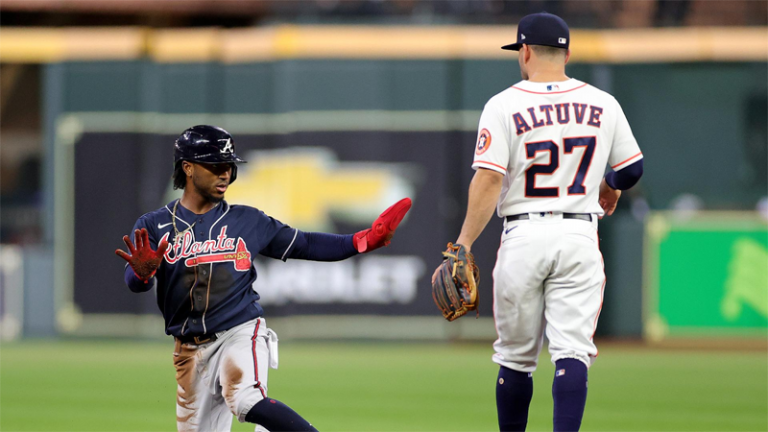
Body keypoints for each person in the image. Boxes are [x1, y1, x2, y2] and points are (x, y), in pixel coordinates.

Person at [116, 125, 412, 432]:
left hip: (239, 332)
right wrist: (141, 273)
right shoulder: (155, 224)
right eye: (216, 165)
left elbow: (306, 243)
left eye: (230, 166)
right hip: (188, 352)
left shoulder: (247, 220)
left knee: (245, 398)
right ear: (187, 167)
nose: (226, 174)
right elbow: (135, 283)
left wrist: (363, 240)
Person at [433, 12, 644, 432]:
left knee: (514, 356)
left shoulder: (504, 103)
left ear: (525, 51)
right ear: (566, 53)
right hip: (579, 233)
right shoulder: (603, 102)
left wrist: (464, 241)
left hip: (524, 234)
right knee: (572, 352)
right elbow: (632, 169)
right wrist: (610, 185)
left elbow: (491, 177)